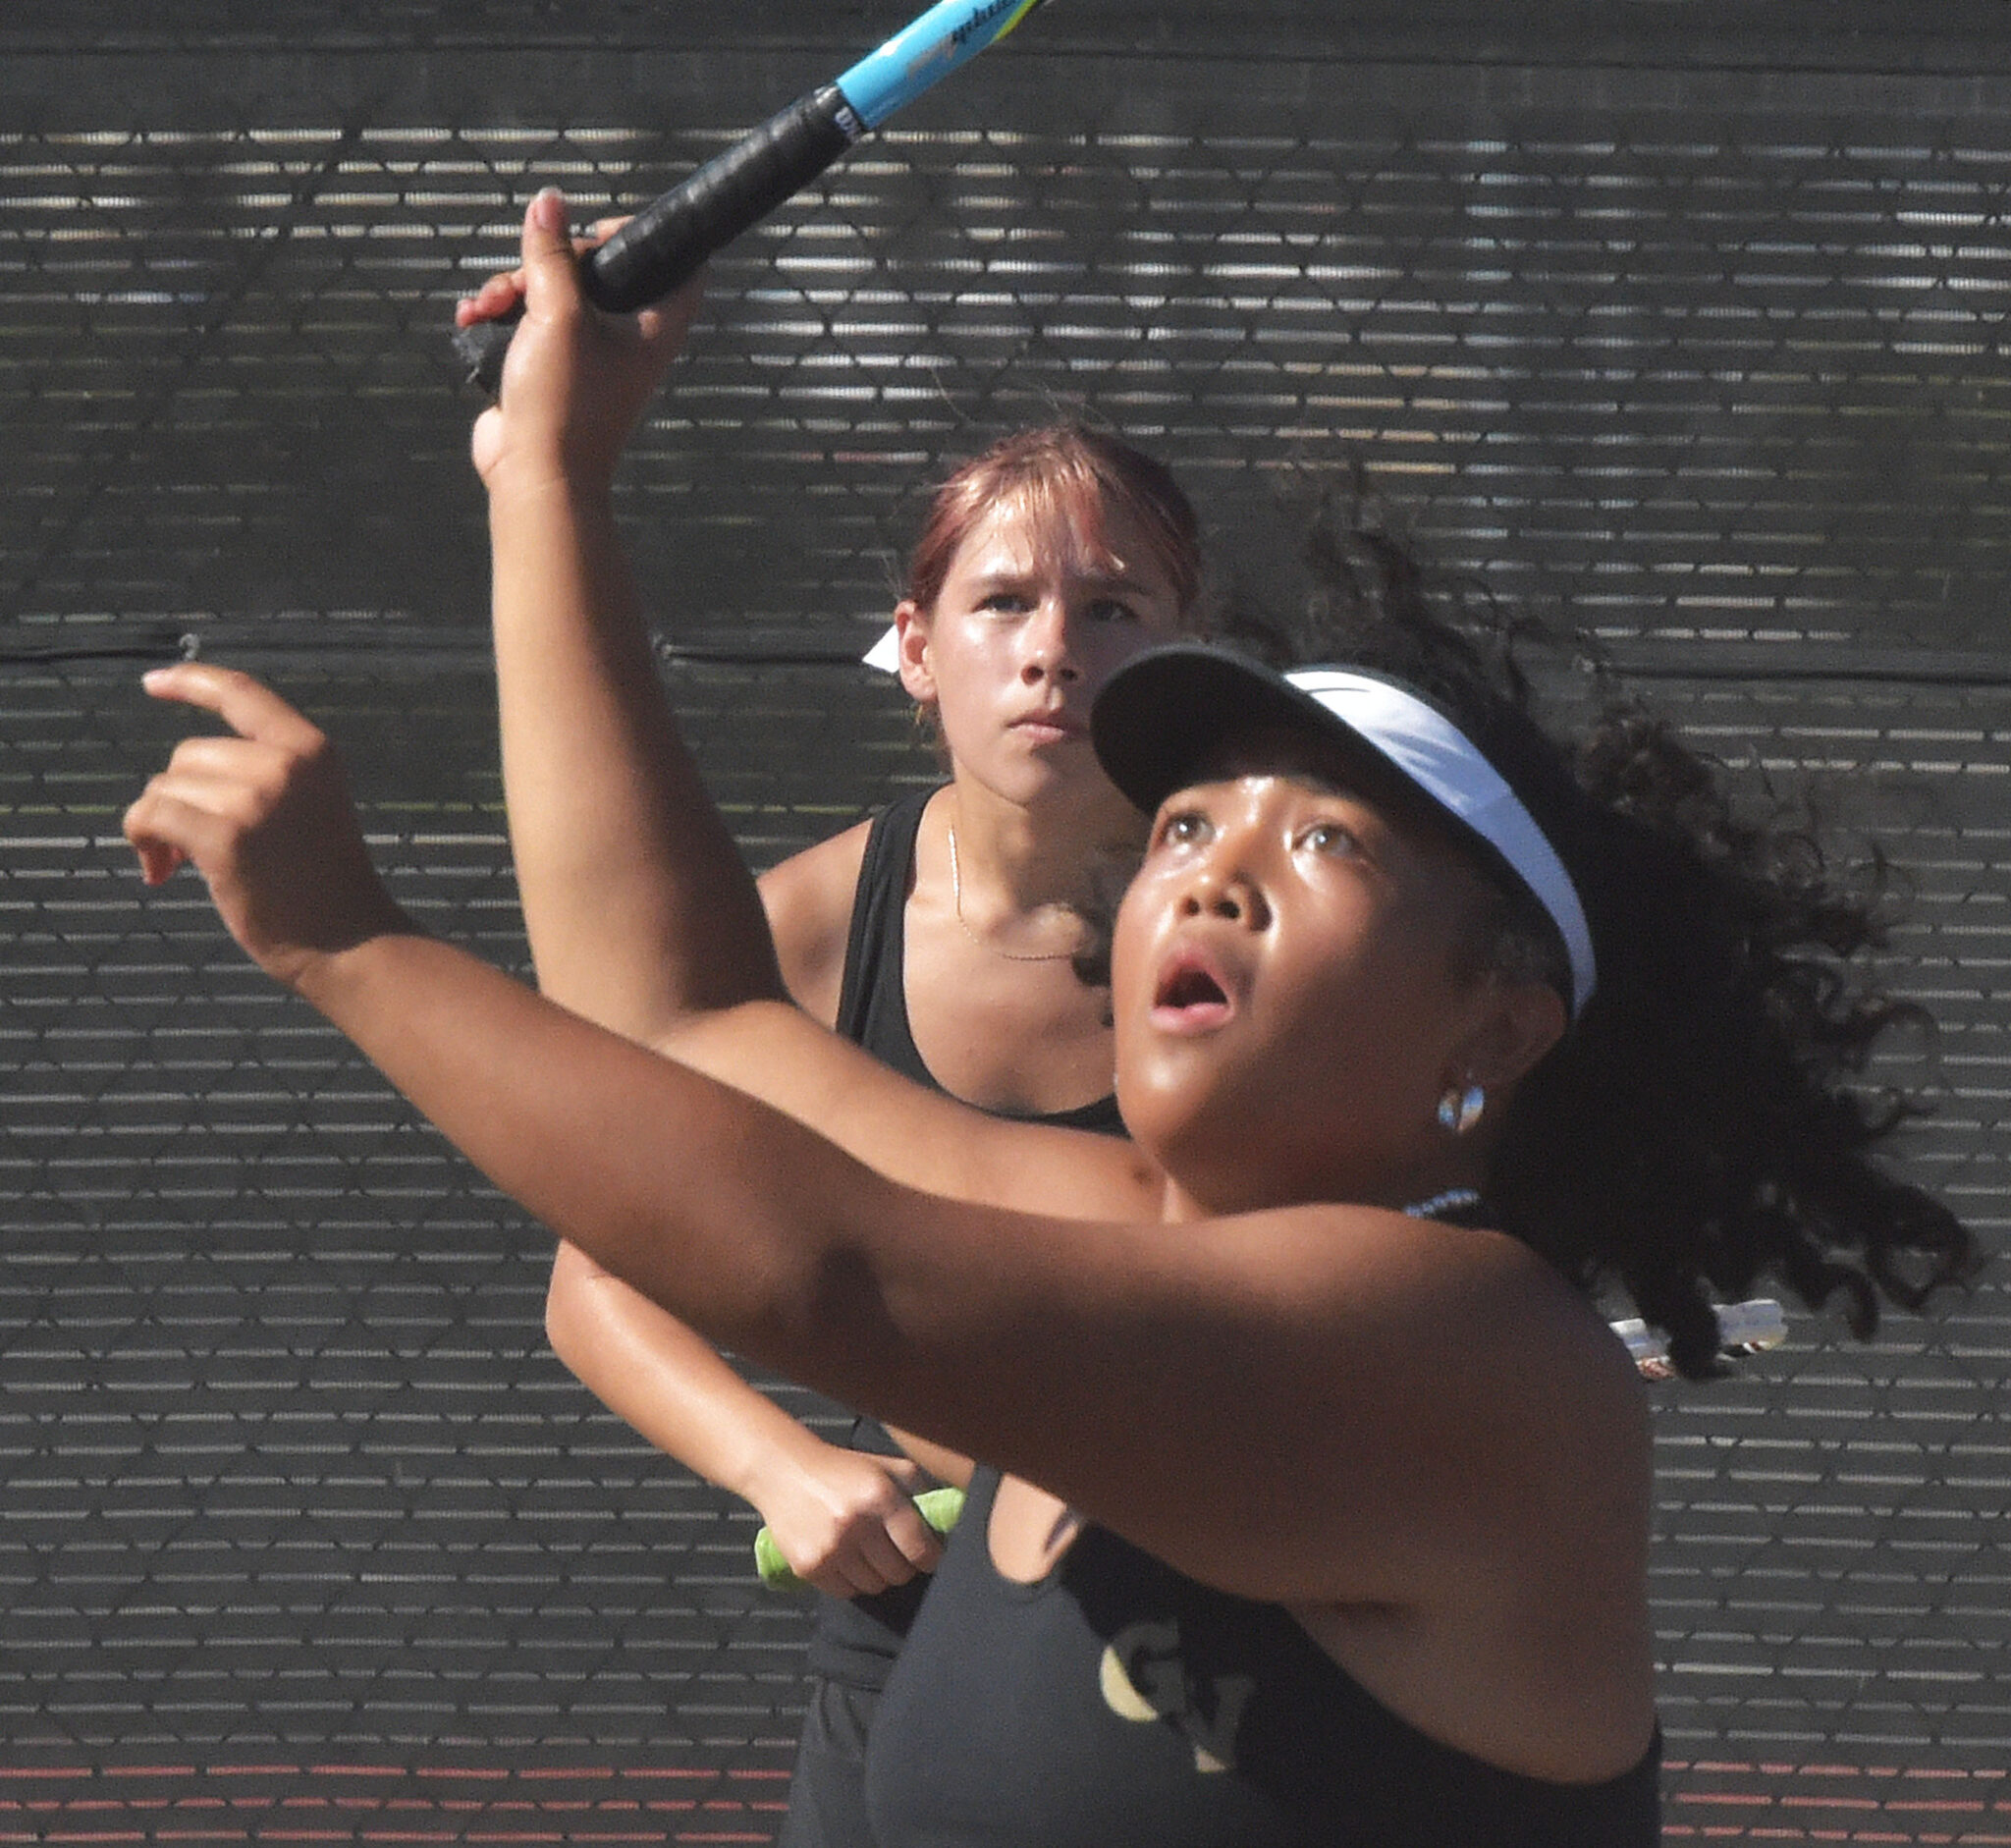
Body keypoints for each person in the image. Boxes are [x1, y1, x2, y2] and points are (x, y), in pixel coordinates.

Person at [127, 205, 1978, 1845]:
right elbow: (675, 1022)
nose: (1210, 872)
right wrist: (549, 475)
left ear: (1495, 1024)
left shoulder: (1472, 1353)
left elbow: (828, 1269)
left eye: (1322, 840)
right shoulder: (1119, 1249)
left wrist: (351, 946)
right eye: (1184, 827)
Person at [456, 190, 1206, 1844]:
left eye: (1113, 608)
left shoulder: (1248, 934)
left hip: (1212, 1648)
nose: (1054, 651)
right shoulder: (801, 931)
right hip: (909, 1647)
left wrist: (548, 475)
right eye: (1003, 604)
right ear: (915, 648)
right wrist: (779, 1464)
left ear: (1186, 654)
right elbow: (600, 1273)